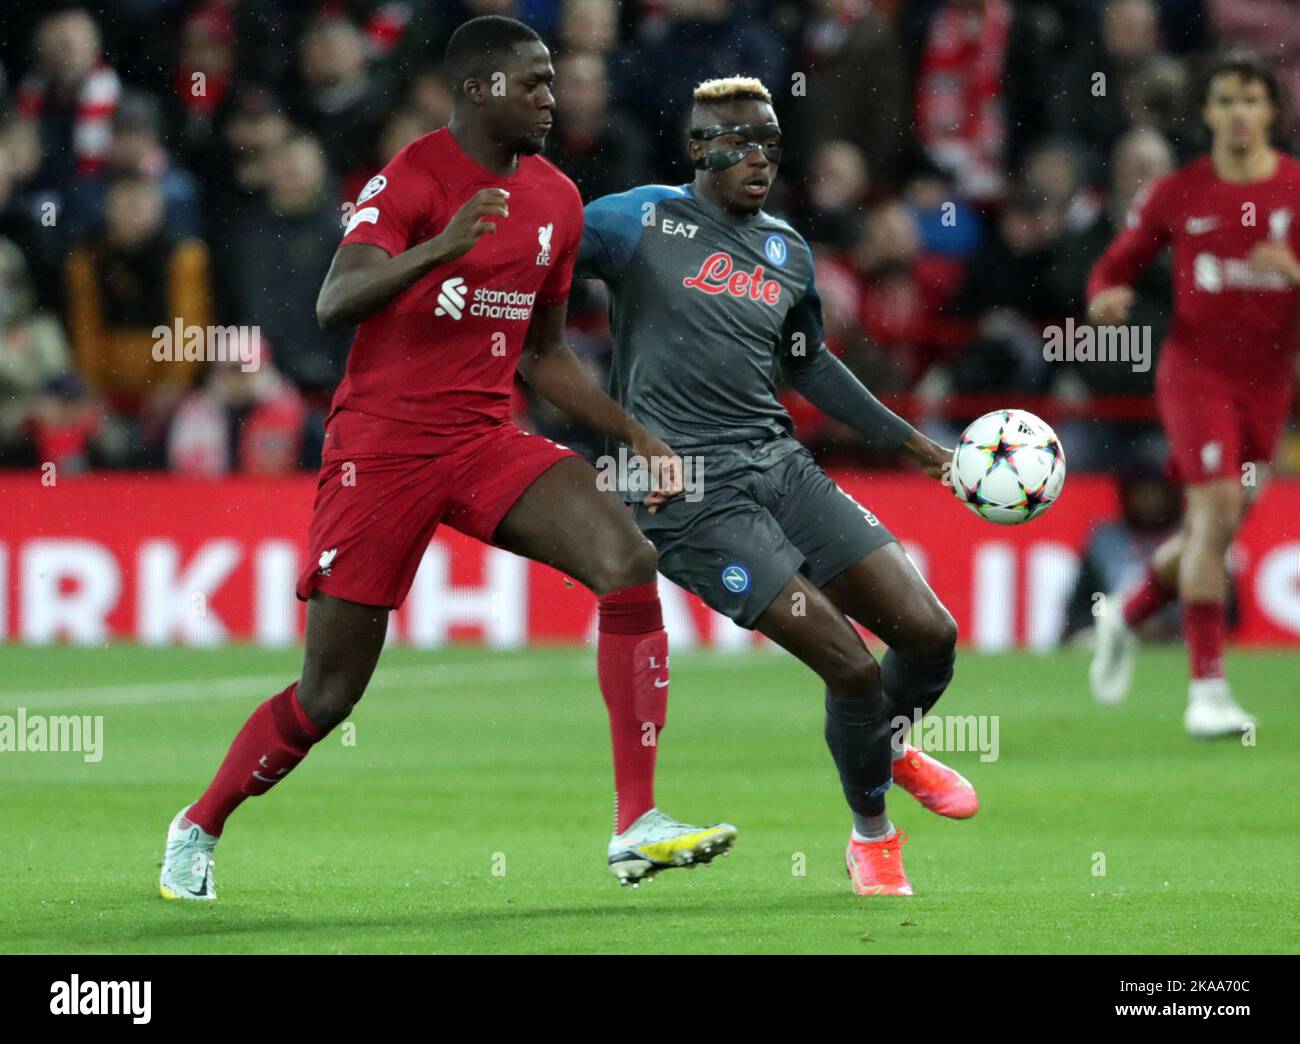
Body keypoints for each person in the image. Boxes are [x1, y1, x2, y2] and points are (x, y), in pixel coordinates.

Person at [159, 15, 734, 902]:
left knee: (627, 561)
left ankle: (636, 824)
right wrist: (441, 246)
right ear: (480, 89)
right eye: (534, 82)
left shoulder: (556, 200)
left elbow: (543, 357)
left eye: (554, 82)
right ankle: (199, 823)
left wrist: (633, 432)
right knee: (328, 695)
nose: (552, 97)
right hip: (381, 453)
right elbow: (335, 299)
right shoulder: (414, 176)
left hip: (483, 439)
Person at [577, 77, 970, 897]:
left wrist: (909, 444)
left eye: (771, 141)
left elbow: (808, 364)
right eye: (740, 141)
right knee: (853, 669)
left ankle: (890, 745)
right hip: (691, 495)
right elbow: (535, 256)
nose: (760, 158)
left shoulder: (787, 247)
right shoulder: (636, 219)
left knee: (930, 635)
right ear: (698, 148)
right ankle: (873, 836)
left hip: (780, 466)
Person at [1086, 54, 1300, 738]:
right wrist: (1104, 296)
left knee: (1221, 523)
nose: (1239, 111)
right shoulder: (1180, 191)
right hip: (1195, 373)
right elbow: (1117, 262)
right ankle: (1208, 690)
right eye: (1226, 99)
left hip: (1268, 383)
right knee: (1214, 508)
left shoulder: (1297, 191)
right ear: (1207, 113)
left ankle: (1125, 611)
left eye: (1251, 99)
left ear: (1271, 112)